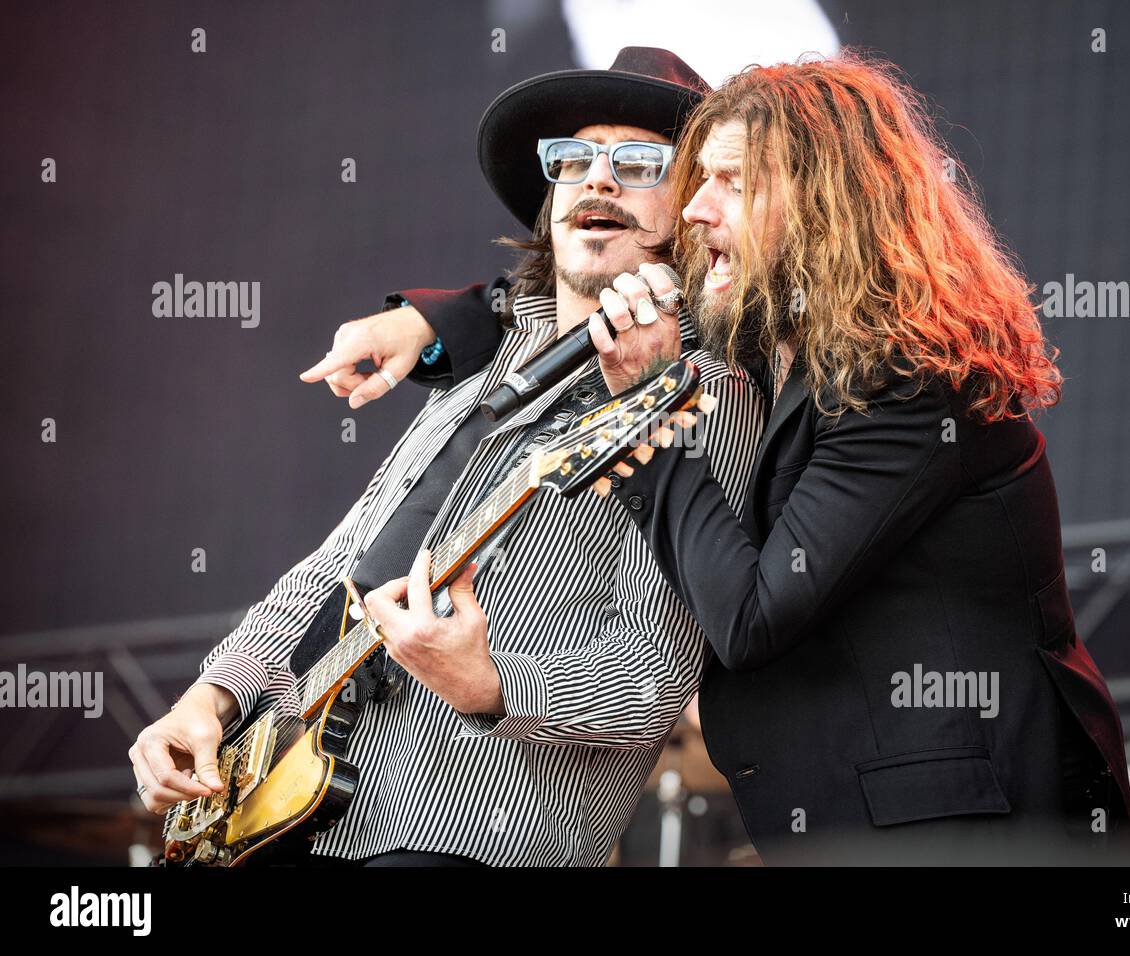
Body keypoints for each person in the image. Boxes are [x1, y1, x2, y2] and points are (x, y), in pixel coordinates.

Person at [128, 48, 765, 867]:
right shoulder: (475, 363)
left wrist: (492, 683)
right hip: (278, 812)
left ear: (699, 206)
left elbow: (652, 679)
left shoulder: (710, 395)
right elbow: (336, 570)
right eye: (573, 159)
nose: (597, 181)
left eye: (639, 162)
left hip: (462, 840)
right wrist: (207, 701)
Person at [590, 53, 1130, 864]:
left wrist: (649, 426)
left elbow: (752, 616)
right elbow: (586, 281)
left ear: (827, 205)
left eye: (733, 182)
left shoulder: (906, 374)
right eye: (699, 178)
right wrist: (435, 329)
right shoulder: (782, 336)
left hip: (961, 826)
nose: (695, 209)